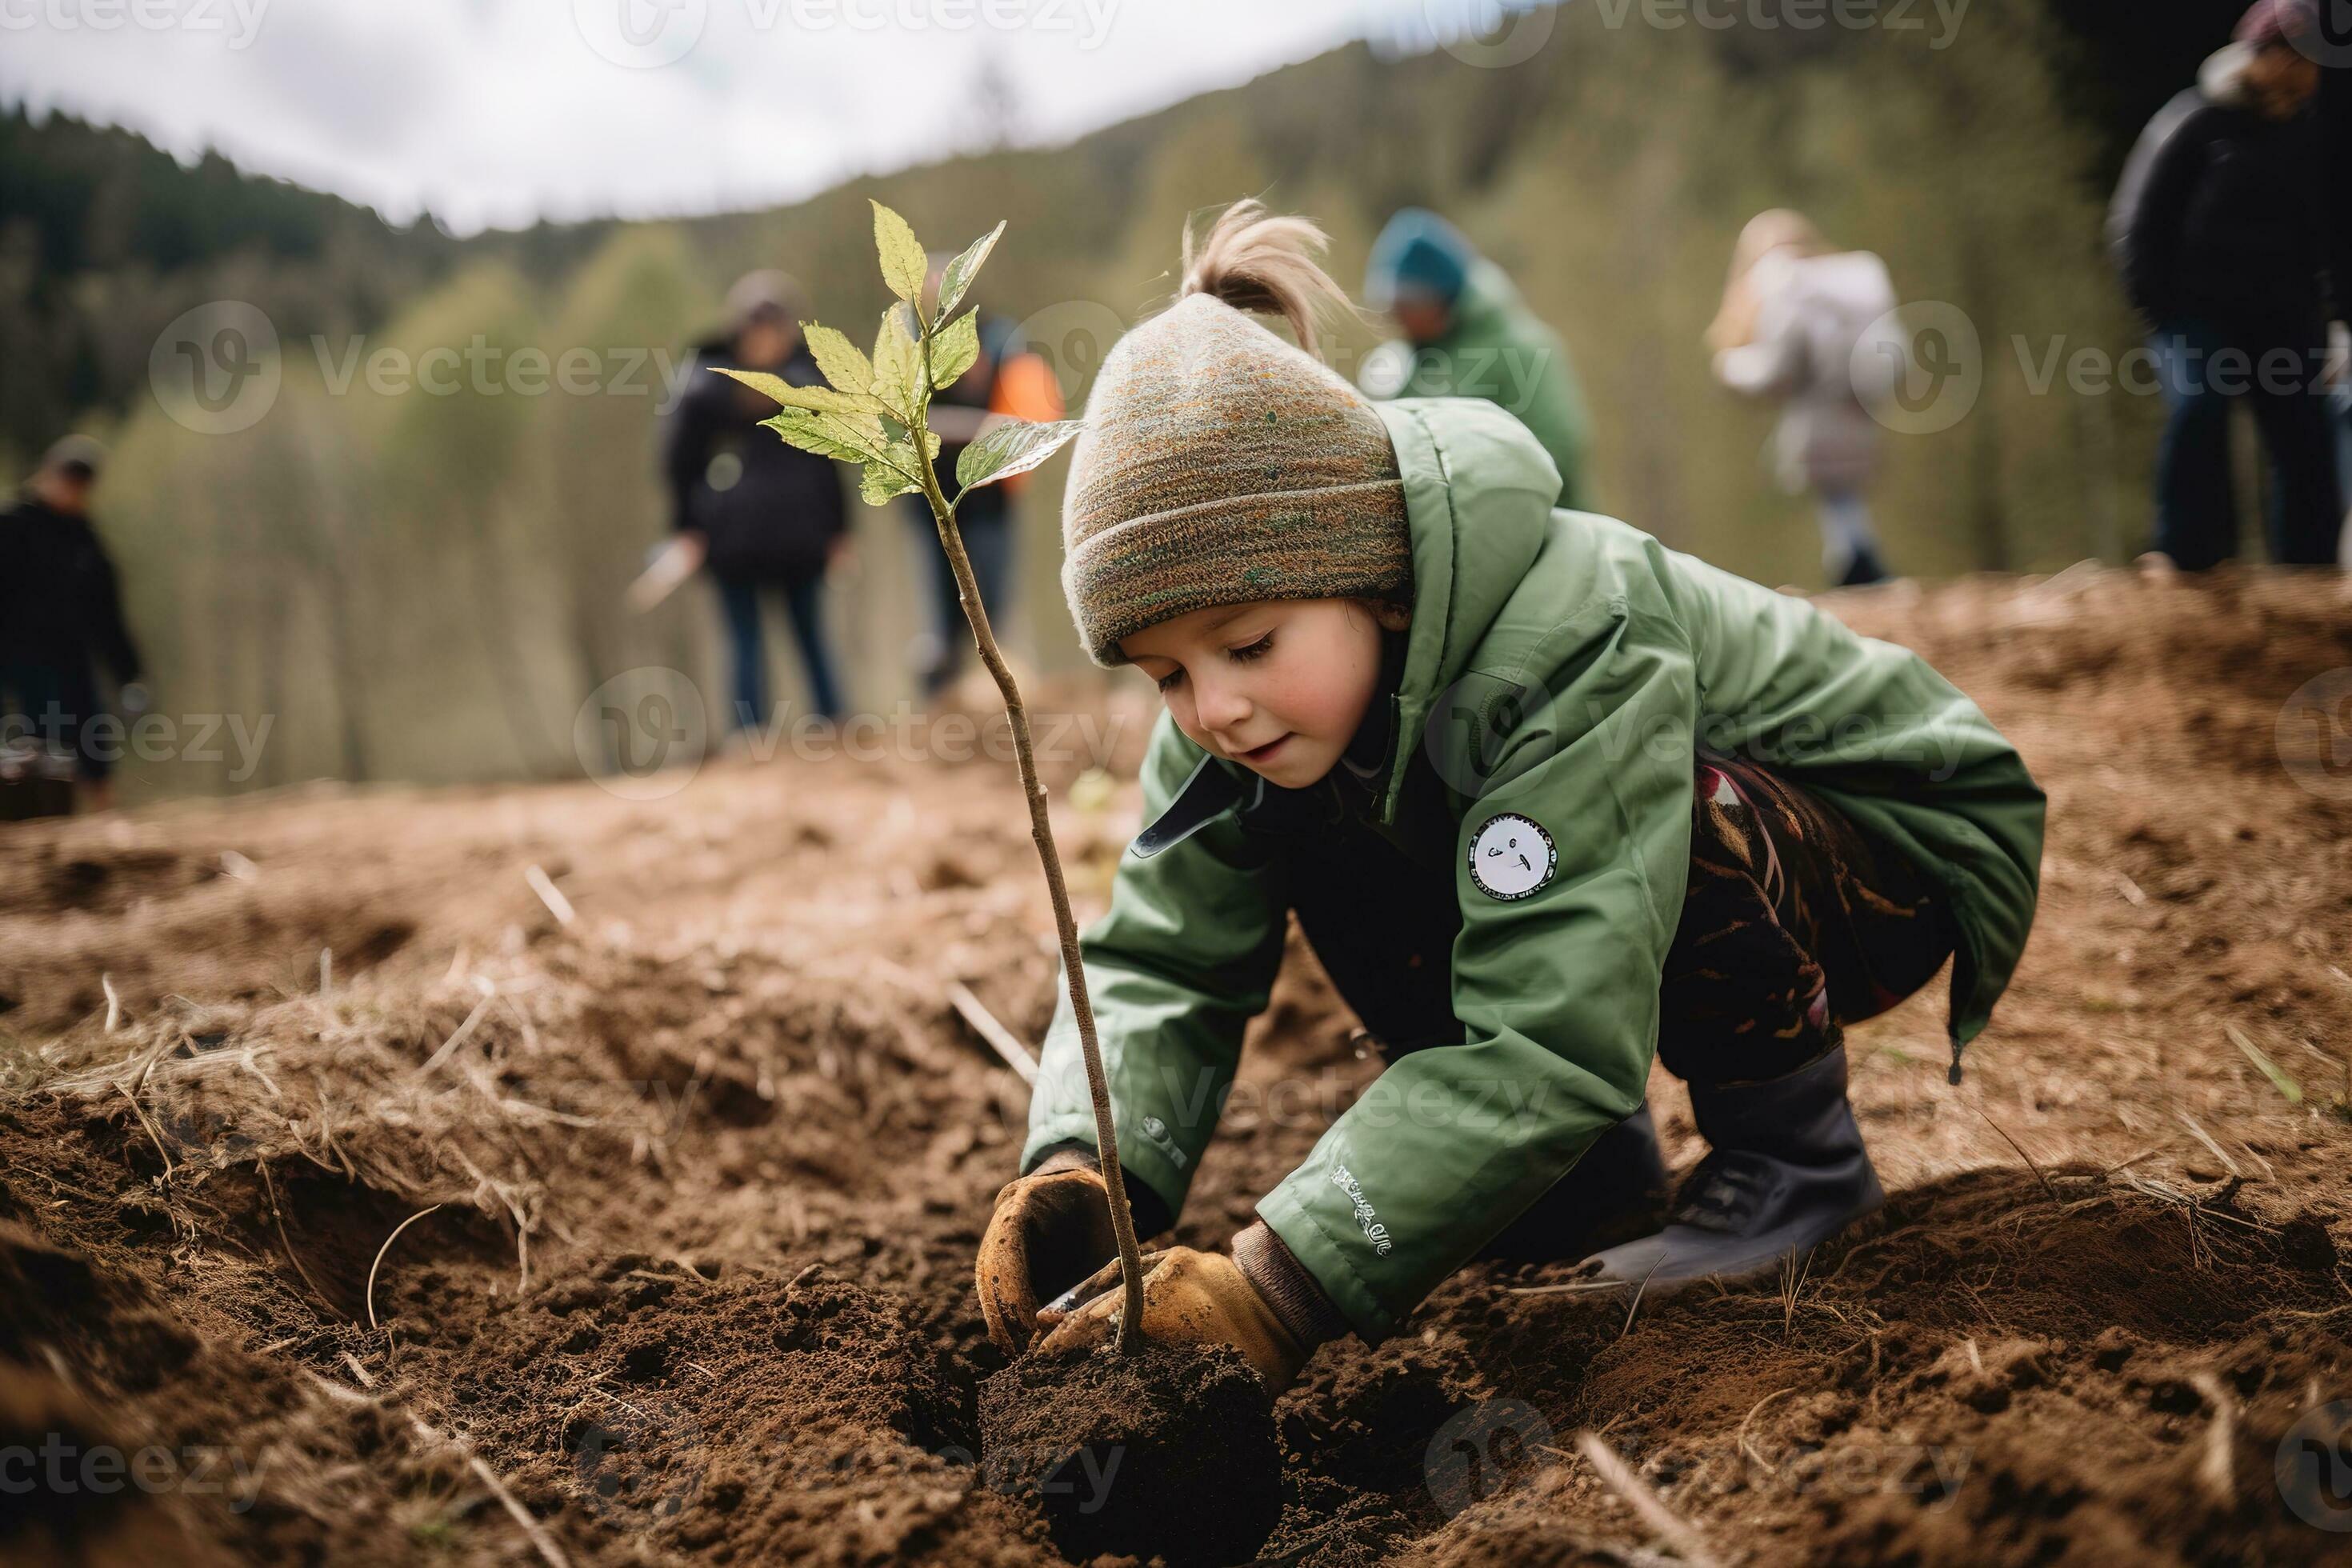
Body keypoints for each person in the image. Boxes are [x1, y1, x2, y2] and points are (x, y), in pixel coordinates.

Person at [973, 203, 2046, 1394]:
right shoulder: (1244, 726)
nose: (1213, 705)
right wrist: (1086, 1167)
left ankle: (1793, 1161)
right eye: (1168, 673)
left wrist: (1278, 1283)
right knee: (1325, 820)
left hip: (1898, 834)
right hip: (1650, 855)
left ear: (1370, 578)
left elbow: (1549, 1023)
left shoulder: (1575, 632)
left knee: (1656, 810)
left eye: (1251, 642)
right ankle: (1581, 1177)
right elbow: (1164, 962)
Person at [2108, 0, 2342, 570]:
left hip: (2283, 318)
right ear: (2261, 56)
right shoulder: (2194, 123)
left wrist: (2334, 320)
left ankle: (2309, 567)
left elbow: (2331, 239)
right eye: (2294, 56)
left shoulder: (2311, 141)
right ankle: (2190, 557)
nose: (2305, 72)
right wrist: (2160, 308)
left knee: (2306, 430)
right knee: (2199, 407)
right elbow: (2138, 222)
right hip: (2193, 316)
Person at [664, 271, 851, 734]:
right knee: (744, 641)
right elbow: (679, 466)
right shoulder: (700, 391)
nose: (766, 341)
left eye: (775, 330)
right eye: (756, 330)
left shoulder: (812, 387)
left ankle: (834, 727)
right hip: (733, 542)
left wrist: (841, 531)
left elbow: (834, 460)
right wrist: (687, 529)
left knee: (810, 635)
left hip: (801, 537)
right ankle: (749, 736)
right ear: (738, 333)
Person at [1707, 210, 1904, 587]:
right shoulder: (1853, 285)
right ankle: (1854, 560)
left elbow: (1779, 367)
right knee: (1843, 494)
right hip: (1860, 407)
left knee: (1835, 495)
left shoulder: (1787, 291)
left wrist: (1730, 369)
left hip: (1817, 413)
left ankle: (1857, 564)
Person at [1361, 208, 1596, 511]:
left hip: (1542, 536)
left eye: (1403, 306)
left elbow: (1558, 449)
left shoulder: (1524, 351)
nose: (1393, 318)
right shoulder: (1400, 360)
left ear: (1436, 299)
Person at [900, 254, 1046, 696]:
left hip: (988, 493)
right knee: (942, 594)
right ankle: (944, 683)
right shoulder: (908, 349)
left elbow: (1024, 417)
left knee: (992, 588)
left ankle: (999, 675)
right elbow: (898, 424)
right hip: (929, 494)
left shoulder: (1003, 342)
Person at [0, 434, 143, 814]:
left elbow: (106, 616)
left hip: (71, 658)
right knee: (35, 746)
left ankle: (104, 823)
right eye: (66, 480)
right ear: (47, 474)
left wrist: (129, 674)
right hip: (18, 659)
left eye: (80, 485)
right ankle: (35, 830)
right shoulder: (13, 528)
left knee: (92, 738)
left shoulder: (85, 540)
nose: (71, 491)